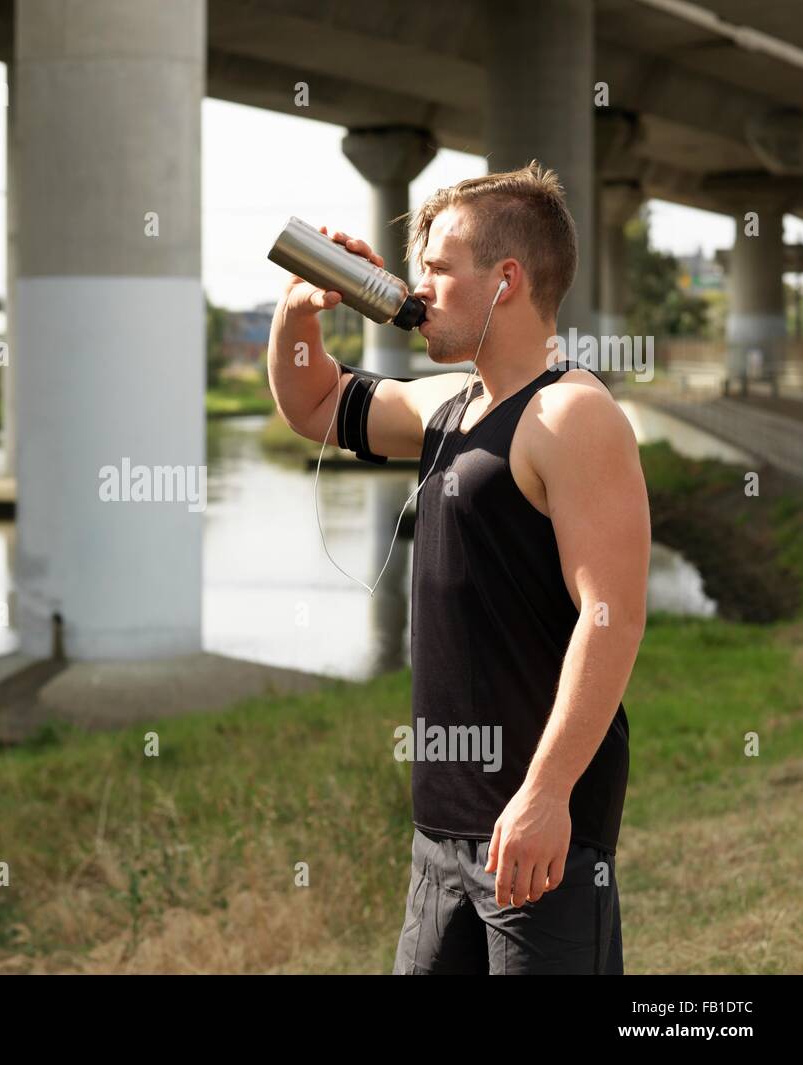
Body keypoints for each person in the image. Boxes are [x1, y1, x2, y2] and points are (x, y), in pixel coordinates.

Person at [266, 161, 650, 974]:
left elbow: (610, 615)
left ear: (506, 280)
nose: (419, 287)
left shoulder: (569, 414)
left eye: (439, 268)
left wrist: (546, 796)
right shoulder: (447, 407)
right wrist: (300, 310)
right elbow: (313, 404)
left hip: (538, 828)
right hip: (441, 830)